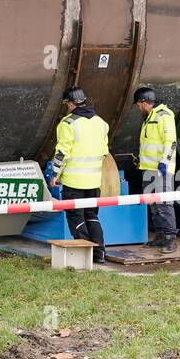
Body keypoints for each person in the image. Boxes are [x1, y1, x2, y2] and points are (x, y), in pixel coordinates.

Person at [50, 85, 110, 264]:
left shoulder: (68, 124)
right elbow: (104, 151)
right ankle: (100, 253)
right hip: (93, 181)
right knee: (92, 216)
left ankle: (85, 254)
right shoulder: (101, 123)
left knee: (75, 217)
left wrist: (54, 174)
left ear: (70, 104)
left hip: (74, 182)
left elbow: (62, 152)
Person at [134, 86, 178, 252]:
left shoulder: (163, 116)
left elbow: (171, 142)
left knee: (164, 203)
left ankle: (171, 239)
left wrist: (164, 162)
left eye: (138, 104)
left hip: (161, 170)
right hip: (148, 168)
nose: (138, 108)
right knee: (153, 204)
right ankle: (160, 236)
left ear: (144, 102)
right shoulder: (150, 117)